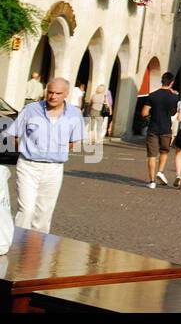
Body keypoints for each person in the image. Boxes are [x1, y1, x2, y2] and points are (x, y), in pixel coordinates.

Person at [10, 78, 85, 233]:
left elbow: (73, 141)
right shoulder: (31, 109)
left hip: (54, 169)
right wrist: (29, 149)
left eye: (58, 93)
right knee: (27, 210)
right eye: (50, 92)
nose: (53, 96)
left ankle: (35, 250)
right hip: (28, 165)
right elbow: (16, 135)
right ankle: (17, 246)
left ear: (66, 94)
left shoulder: (74, 114)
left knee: (44, 213)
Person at [142, 73, 179, 188]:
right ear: (171, 82)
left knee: (152, 155)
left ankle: (152, 181)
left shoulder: (152, 95)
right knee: (164, 151)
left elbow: (144, 112)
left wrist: (149, 119)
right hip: (166, 128)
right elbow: (173, 112)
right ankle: (160, 171)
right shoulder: (174, 97)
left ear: (161, 81)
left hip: (153, 128)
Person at [84, 84, 112, 150]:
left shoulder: (93, 95)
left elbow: (90, 104)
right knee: (99, 127)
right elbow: (107, 105)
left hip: (93, 112)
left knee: (91, 127)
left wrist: (88, 112)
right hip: (100, 113)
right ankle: (98, 141)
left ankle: (90, 141)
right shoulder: (104, 97)